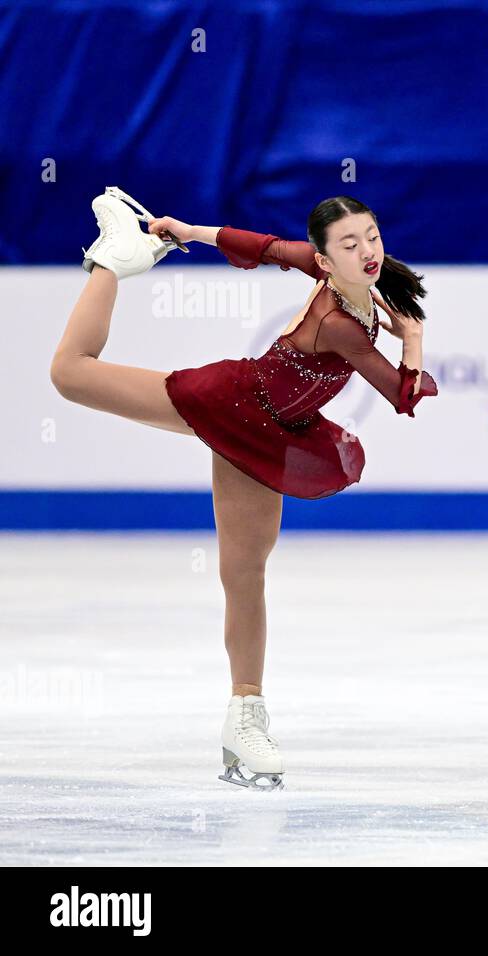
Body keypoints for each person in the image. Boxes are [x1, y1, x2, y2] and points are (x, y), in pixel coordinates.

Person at [50, 188, 438, 790]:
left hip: (275, 434)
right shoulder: (338, 324)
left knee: (244, 571)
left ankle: (245, 716)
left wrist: (187, 229)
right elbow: (402, 396)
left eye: (373, 236)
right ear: (326, 259)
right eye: (350, 243)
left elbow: (255, 246)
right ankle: (111, 256)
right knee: (70, 373)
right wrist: (411, 339)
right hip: (234, 402)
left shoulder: (337, 275)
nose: (368, 251)